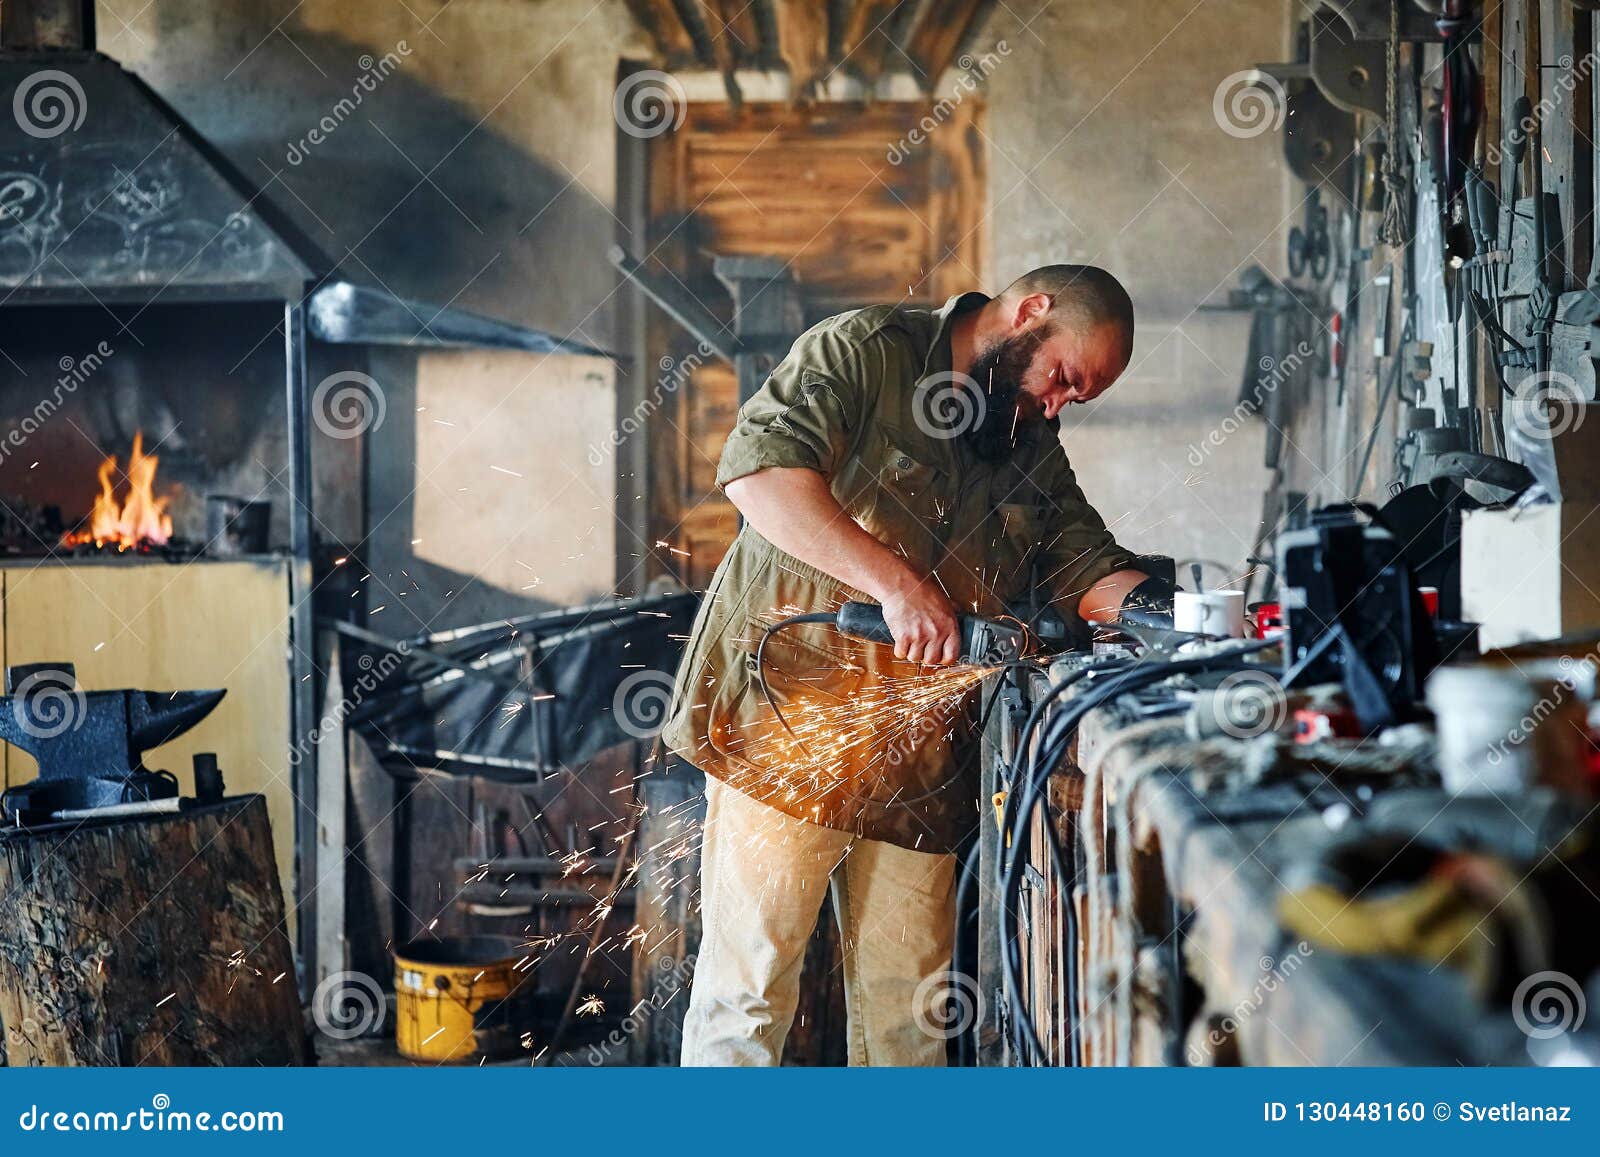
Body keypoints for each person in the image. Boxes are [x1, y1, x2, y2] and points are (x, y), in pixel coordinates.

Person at [662, 265, 1171, 1065]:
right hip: (792, 723)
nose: (1060, 402)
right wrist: (899, 589)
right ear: (1031, 311)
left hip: (920, 761)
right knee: (748, 998)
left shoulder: (1027, 441)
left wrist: (1194, 619)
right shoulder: (868, 352)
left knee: (913, 1016)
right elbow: (762, 475)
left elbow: (1087, 568)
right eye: (1066, 377)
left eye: (1079, 398)